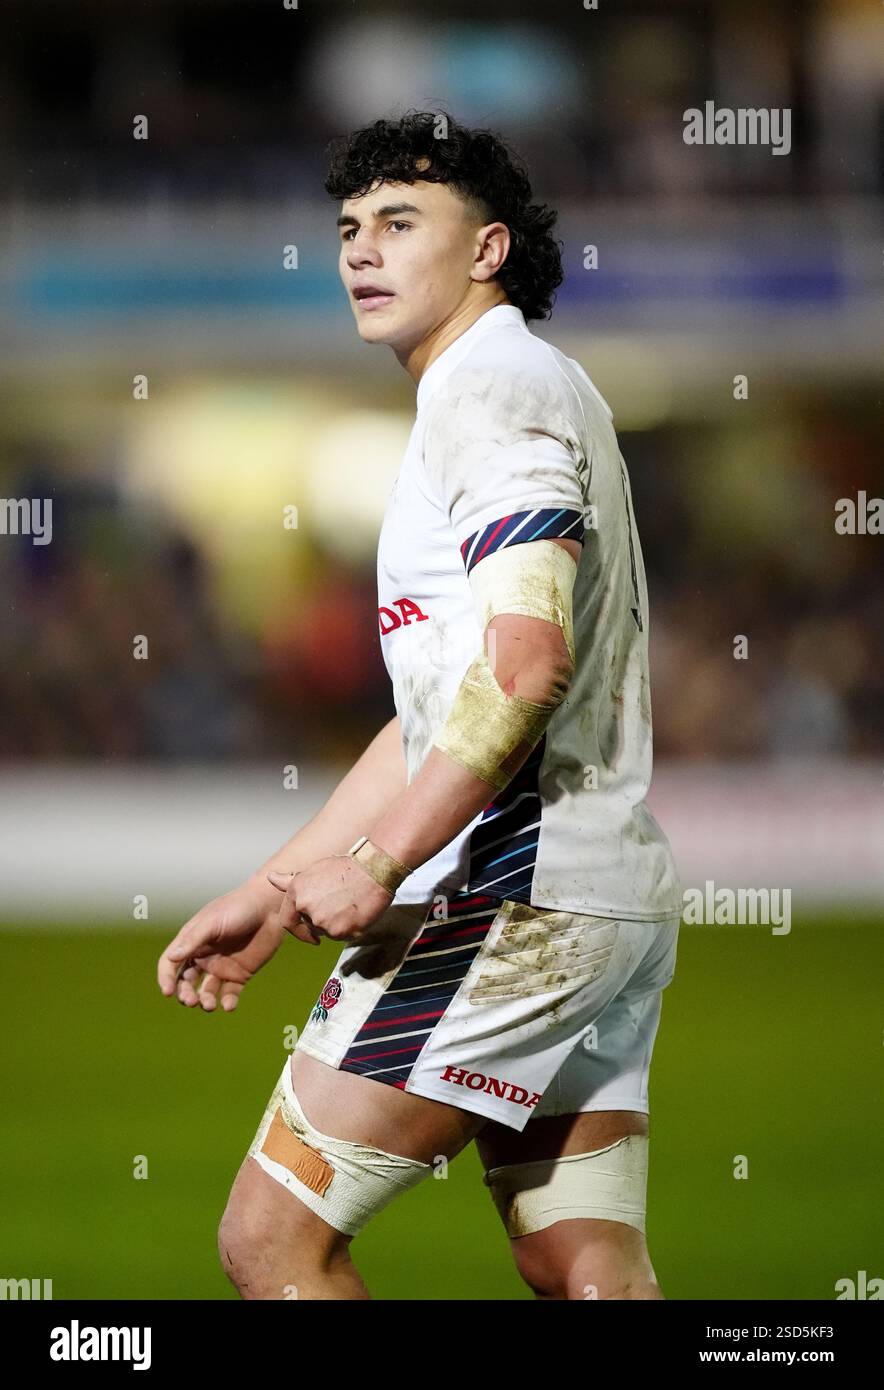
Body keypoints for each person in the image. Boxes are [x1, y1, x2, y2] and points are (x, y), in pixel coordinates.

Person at [157, 111, 683, 1301]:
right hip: (600, 901)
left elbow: (523, 662)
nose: (360, 249)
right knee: (583, 1262)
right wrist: (279, 881)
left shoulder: (486, 389)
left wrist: (384, 861)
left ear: (487, 248)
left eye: (400, 222)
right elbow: (431, 719)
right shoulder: (524, 388)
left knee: (270, 1241)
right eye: (349, 227)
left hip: (509, 896)